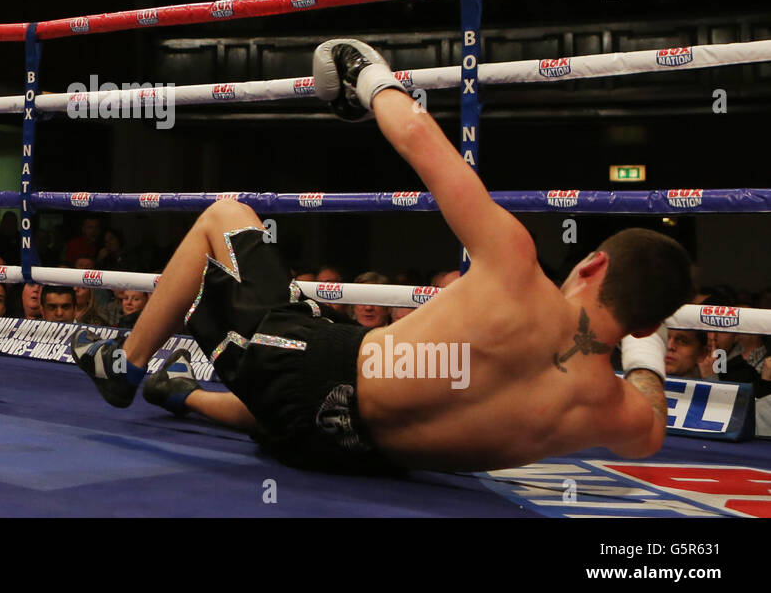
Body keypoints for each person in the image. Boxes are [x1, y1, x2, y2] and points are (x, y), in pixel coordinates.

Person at [72, 39, 693, 472]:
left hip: (311, 378)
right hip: (347, 451)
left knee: (224, 217)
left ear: (594, 265)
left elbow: (420, 138)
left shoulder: (516, 267)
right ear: (643, 325)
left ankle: (124, 367)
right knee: (315, 376)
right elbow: (650, 413)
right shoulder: (616, 413)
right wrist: (644, 349)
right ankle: (182, 394)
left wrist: (365, 73)